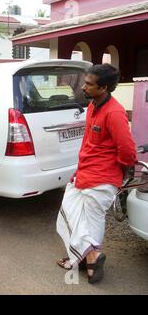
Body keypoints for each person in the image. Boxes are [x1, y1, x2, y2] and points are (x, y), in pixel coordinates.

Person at [56, 64, 137, 284]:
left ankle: (88, 260)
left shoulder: (115, 112)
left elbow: (128, 151)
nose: (83, 87)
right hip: (85, 172)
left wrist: (114, 169)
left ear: (103, 88)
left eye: (89, 84)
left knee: (91, 221)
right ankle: (88, 254)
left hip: (102, 178)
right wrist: (79, 169)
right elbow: (89, 143)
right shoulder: (92, 105)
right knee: (70, 213)